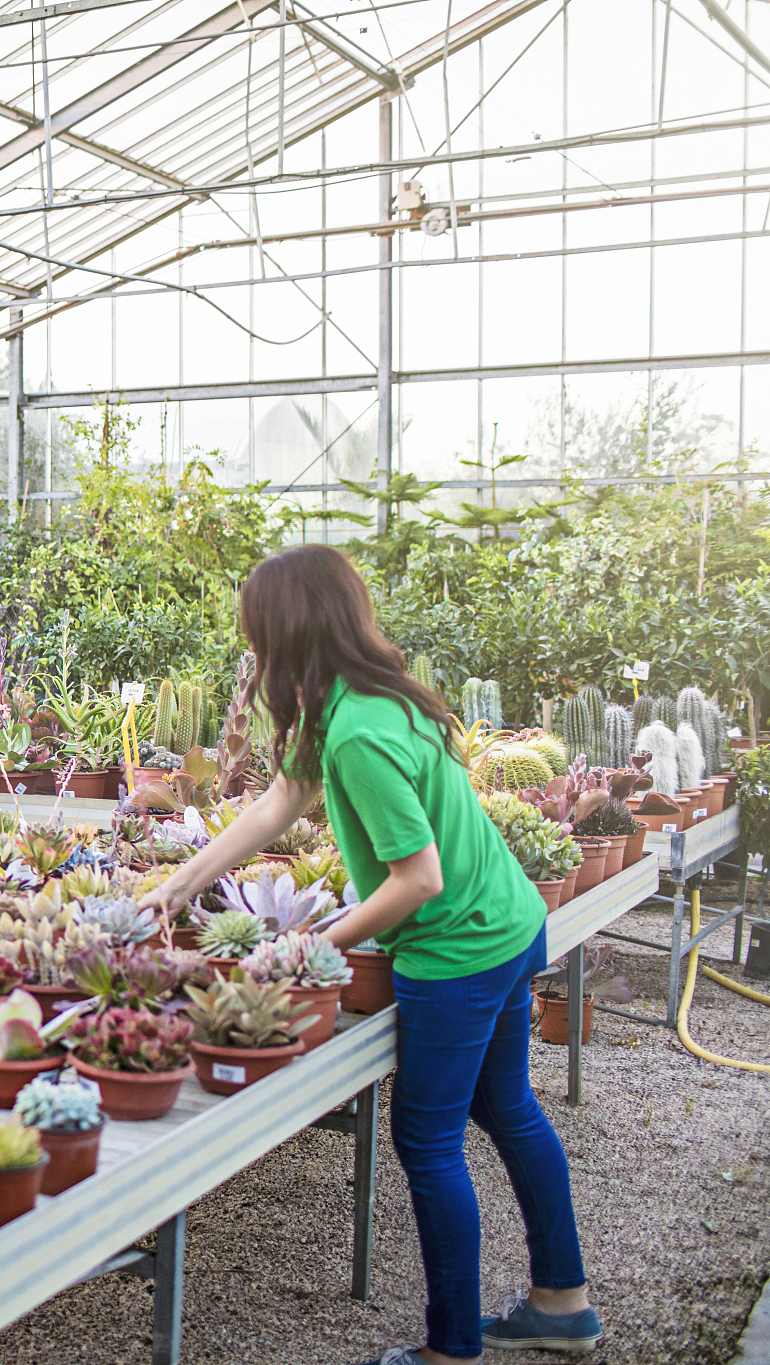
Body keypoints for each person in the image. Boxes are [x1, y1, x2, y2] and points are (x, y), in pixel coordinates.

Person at [139, 544, 599, 1365]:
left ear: (286, 635)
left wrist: (312, 944)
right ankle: (563, 1303)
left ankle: (452, 1347)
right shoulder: (372, 697)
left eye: (257, 636)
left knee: (427, 1140)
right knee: (507, 1106)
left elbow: (417, 879)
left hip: (458, 949)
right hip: (509, 920)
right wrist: (177, 884)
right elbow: (281, 800)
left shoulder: (355, 731)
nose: (254, 653)